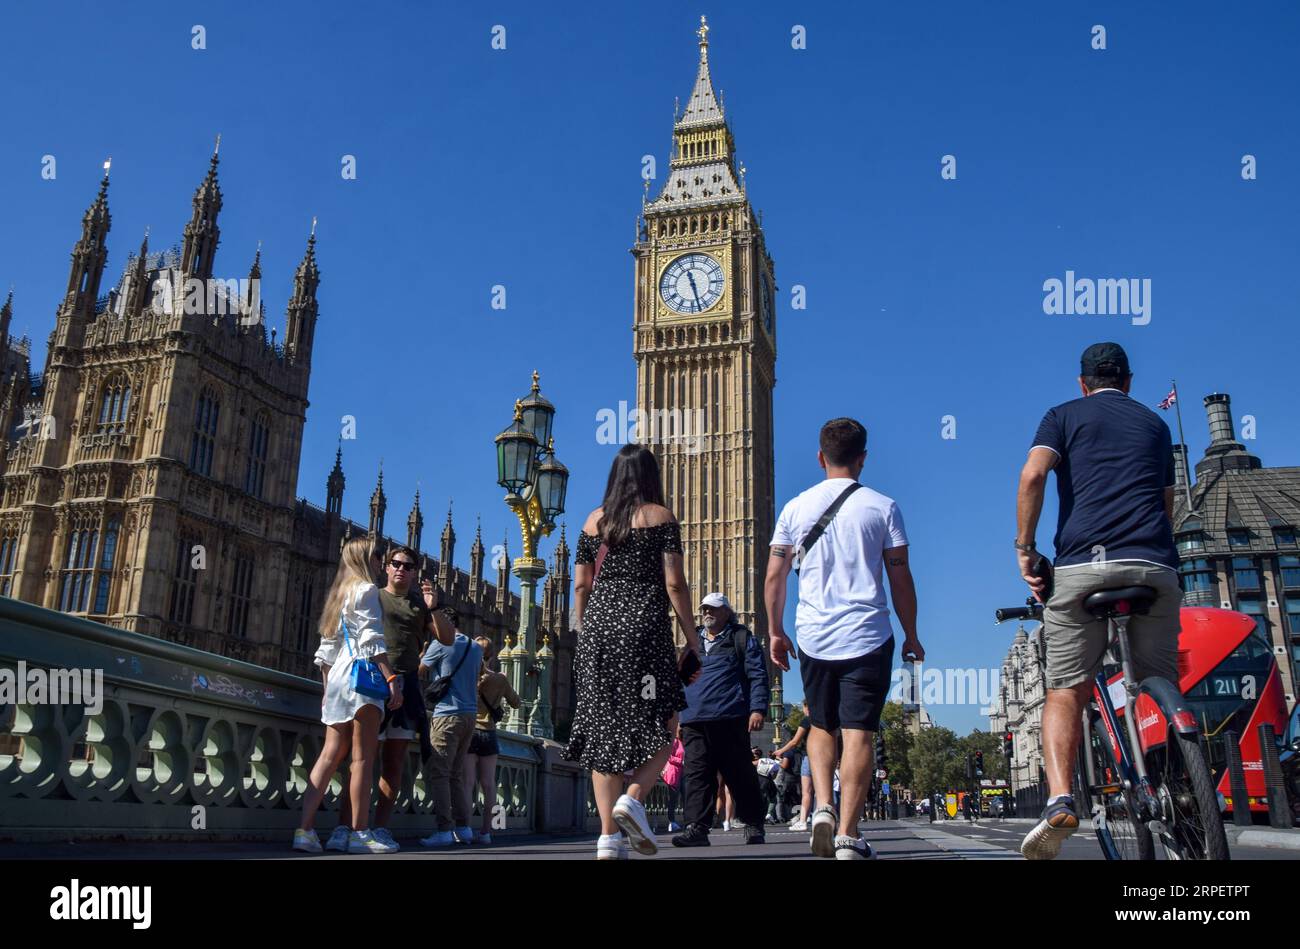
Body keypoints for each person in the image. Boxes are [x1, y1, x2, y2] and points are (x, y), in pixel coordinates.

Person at [1015, 342, 1182, 860]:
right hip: (1155, 565)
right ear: (1129, 381)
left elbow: (1033, 476)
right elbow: (1166, 502)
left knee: (1065, 690)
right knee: (1162, 681)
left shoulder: (1062, 416)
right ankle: (1178, 783)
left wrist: (1025, 550)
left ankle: (1061, 798)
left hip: (1083, 566)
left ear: (1082, 383)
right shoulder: (1156, 426)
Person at [765, 417, 926, 860]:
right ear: (863, 458)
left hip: (813, 636)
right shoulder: (883, 506)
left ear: (820, 458)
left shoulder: (795, 508)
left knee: (821, 724)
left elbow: (775, 575)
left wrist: (775, 631)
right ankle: (849, 837)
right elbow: (901, 577)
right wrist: (912, 634)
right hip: (868, 635)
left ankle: (822, 807)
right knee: (858, 735)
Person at [562, 443, 702, 860]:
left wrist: (586, 629)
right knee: (665, 717)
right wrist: (693, 639)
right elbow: (674, 583)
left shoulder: (592, 522)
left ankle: (608, 838)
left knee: (602, 731)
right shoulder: (660, 517)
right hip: (645, 632)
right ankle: (635, 798)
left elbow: (581, 585)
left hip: (598, 635)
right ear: (649, 477)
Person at [294, 537, 403, 854]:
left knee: (328, 757)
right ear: (364, 560)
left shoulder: (338, 596)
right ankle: (358, 833)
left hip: (339, 681)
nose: (382, 563)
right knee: (362, 760)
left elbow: (325, 654)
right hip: (362, 678)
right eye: (378, 557)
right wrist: (392, 678)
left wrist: (328, 693)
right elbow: (372, 640)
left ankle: (305, 831)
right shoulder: (367, 591)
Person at [362, 546, 453, 852]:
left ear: (415, 572)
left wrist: (433, 607)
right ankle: (354, 827)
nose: (401, 568)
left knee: (393, 763)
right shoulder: (372, 596)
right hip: (373, 683)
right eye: (396, 563)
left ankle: (380, 828)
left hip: (407, 686)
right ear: (386, 567)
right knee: (362, 761)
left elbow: (448, 638)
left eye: (408, 566)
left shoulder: (419, 604)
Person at [671, 591, 770, 847]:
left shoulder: (740, 637)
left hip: (730, 716)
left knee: (738, 772)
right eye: (704, 609)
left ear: (727, 612)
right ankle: (696, 827)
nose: (707, 613)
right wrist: (679, 717)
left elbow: (758, 674)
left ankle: (752, 823)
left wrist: (758, 708)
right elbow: (682, 681)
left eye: (713, 609)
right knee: (696, 775)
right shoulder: (693, 640)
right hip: (694, 720)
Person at [418, 607, 483, 847]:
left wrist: (422, 652)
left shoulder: (440, 644)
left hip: (447, 714)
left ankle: (444, 829)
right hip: (470, 716)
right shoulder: (475, 648)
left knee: (440, 773)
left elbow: (419, 671)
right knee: (456, 775)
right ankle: (464, 828)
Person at [464, 634, 520, 846]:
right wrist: (501, 684)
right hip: (489, 734)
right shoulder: (499, 678)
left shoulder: (467, 676)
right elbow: (516, 703)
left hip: (469, 732)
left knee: (467, 783)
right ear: (492, 655)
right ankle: (487, 831)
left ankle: (465, 829)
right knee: (488, 785)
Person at [772, 701, 812, 830]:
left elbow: (795, 741)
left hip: (810, 756)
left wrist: (780, 751)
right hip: (826, 758)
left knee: (807, 792)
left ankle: (803, 820)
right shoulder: (827, 717)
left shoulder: (807, 720)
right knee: (823, 791)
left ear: (807, 707)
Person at [661, 728, 685, 833]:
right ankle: (672, 822)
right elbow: (669, 757)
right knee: (673, 799)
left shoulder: (686, 742)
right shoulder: (675, 742)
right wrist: (681, 761)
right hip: (674, 773)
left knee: (686, 798)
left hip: (684, 773)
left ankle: (688, 821)